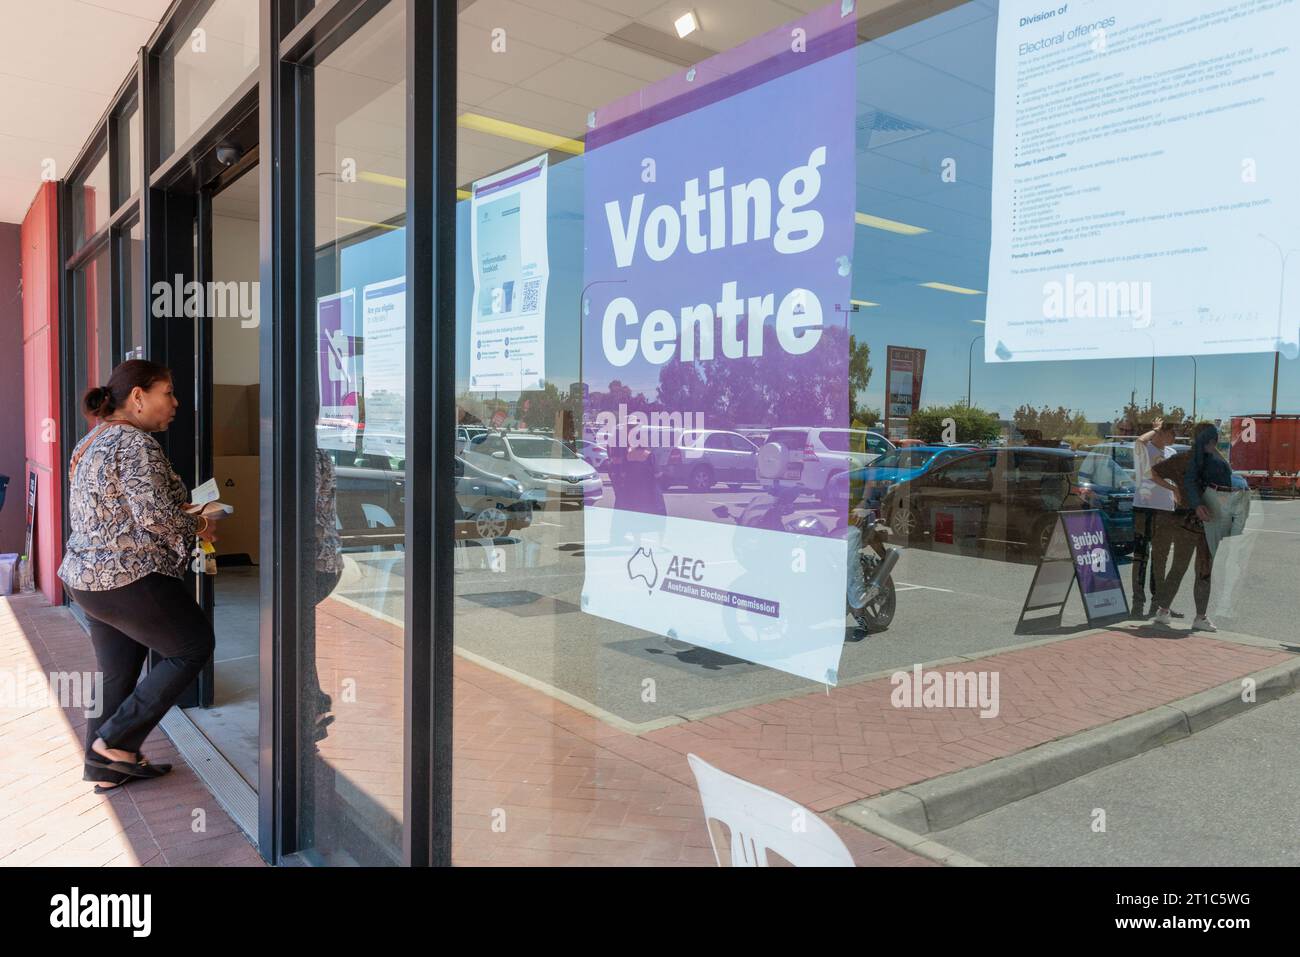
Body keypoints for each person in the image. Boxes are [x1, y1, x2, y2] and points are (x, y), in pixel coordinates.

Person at [58, 359, 226, 793]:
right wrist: (202, 524)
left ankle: (105, 767)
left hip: (87, 581)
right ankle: (113, 741)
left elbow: (124, 511)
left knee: (117, 673)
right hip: (128, 576)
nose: (175, 402)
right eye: (167, 392)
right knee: (192, 646)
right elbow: (154, 517)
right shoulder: (134, 443)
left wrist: (185, 514)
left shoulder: (91, 441)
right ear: (137, 397)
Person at [1151, 423, 1222, 632]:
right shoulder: (1201, 461)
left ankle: (1166, 611)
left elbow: (1154, 472)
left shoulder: (1198, 460)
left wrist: (1173, 488)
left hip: (1197, 521)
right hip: (1194, 521)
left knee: (1184, 567)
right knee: (1197, 569)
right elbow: (1154, 472)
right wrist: (1173, 488)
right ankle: (1194, 616)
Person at [1130, 418, 1183, 618]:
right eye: (1170, 433)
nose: (1174, 437)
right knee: (1140, 557)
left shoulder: (1171, 453)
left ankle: (1160, 604)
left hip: (1166, 511)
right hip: (1144, 508)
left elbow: (1177, 477)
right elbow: (1139, 443)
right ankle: (1137, 604)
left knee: (1160, 559)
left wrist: (1179, 495)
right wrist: (1155, 429)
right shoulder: (1145, 449)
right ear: (1160, 433)